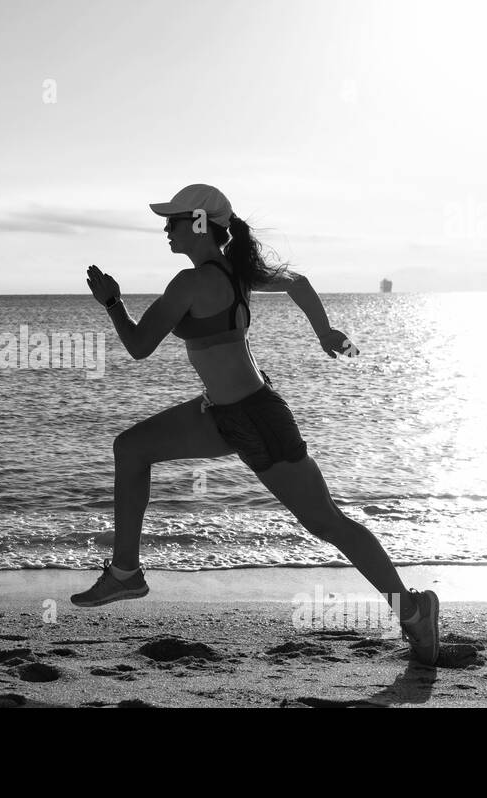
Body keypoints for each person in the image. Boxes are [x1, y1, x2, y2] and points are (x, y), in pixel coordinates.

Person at [72, 184, 440, 666]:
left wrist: (112, 302)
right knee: (132, 448)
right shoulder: (235, 271)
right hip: (222, 413)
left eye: (174, 220)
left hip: (255, 417)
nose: (166, 229)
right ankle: (125, 573)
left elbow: (139, 346)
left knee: (327, 522)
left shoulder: (192, 282)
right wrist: (324, 331)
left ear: (200, 223)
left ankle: (413, 613)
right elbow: (298, 282)